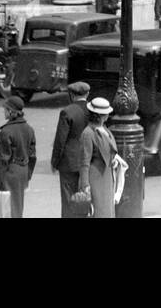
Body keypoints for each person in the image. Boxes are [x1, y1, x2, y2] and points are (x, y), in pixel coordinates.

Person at [0, 94, 36, 218]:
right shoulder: (29, 129)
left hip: (10, 172)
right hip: (23, 171)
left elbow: (3, 159)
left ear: (11, 112)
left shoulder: (6, 132)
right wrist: (27, 176)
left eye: (5, 109)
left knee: (8, 210)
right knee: (18, 207)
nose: (3, 111)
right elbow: (32, 156)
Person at [52, 81, 91, 217]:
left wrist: (54, 162)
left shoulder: (67, 112)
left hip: (70, 163)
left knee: (69, 199)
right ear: (87, 94)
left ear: (71, 95)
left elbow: (60, 141)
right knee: (86, 198)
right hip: (89, 161)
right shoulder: (93, 110)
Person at [77, 98, 119, 218]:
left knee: (107, 210)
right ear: (101, 115)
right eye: (106, 113)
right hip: (95, 177)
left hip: (106, 175)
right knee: (99, 210)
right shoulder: (88, 133)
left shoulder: (104, 129)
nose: (108, 115)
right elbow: (84, 161)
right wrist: (85, 185)